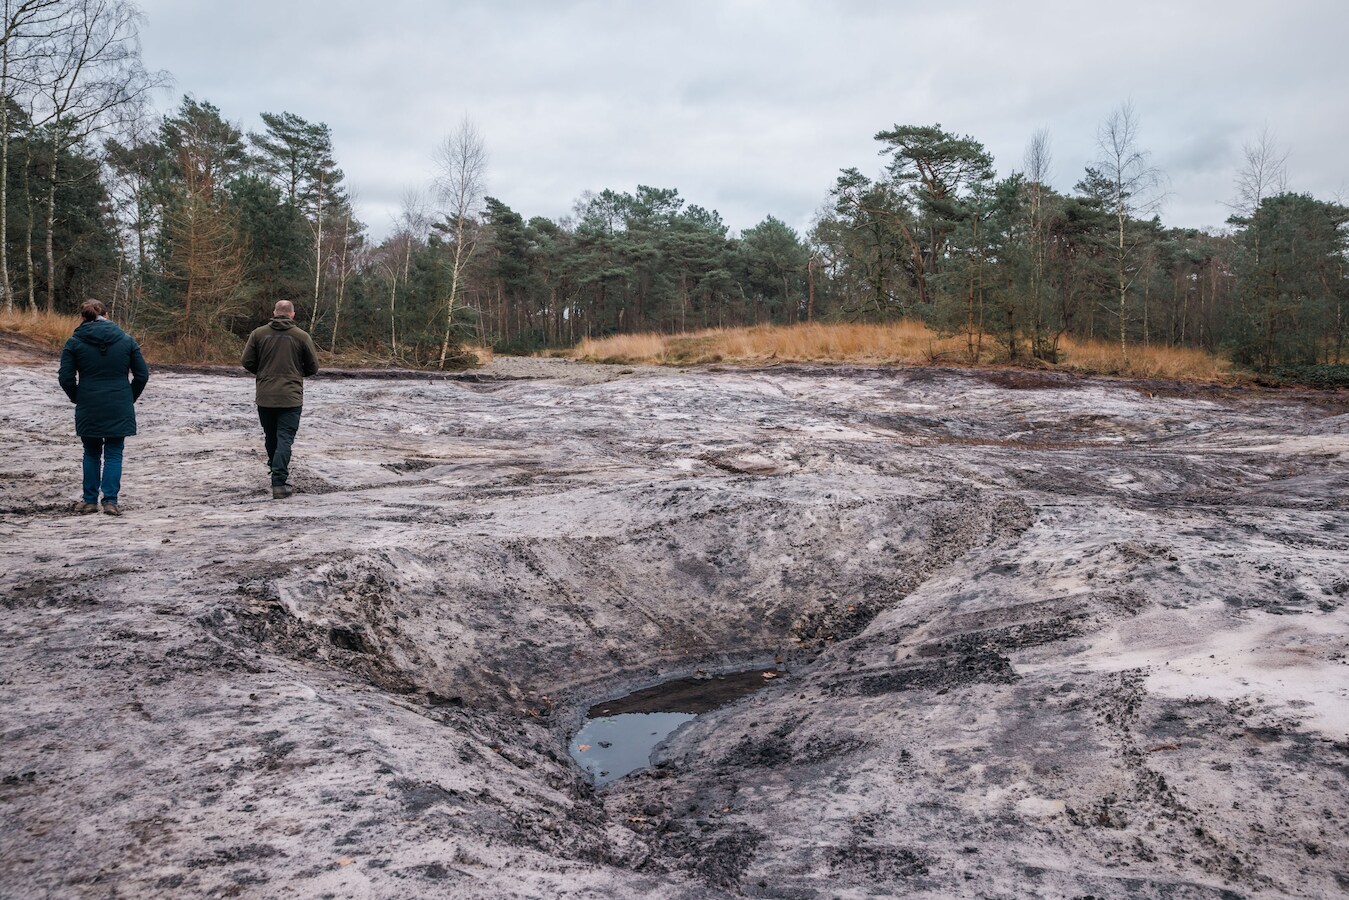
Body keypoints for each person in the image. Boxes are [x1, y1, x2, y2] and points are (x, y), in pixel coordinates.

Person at [58, 299, 150, 517]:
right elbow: (142, 375)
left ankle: (90, 501)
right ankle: (110, 501)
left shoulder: (74, 342)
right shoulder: (126, 340)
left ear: (83, 317)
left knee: (91, 452)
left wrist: (77, 397)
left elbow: (65, 378)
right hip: (119, 403)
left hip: (89, 403)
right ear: (107, 315)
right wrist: (129, 397)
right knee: (114, 453)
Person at [242, 300, 319, 499]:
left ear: (274, 312)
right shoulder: (301, 336)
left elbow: (247, 361)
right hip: (290, 398)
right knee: (284, 438)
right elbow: (313, 367)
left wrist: (264, 374)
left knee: (271, 436)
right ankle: (279, 482)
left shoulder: (258, 334)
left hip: (265, 396)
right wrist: (296, 374)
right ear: (292, 315)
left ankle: (275, 469)